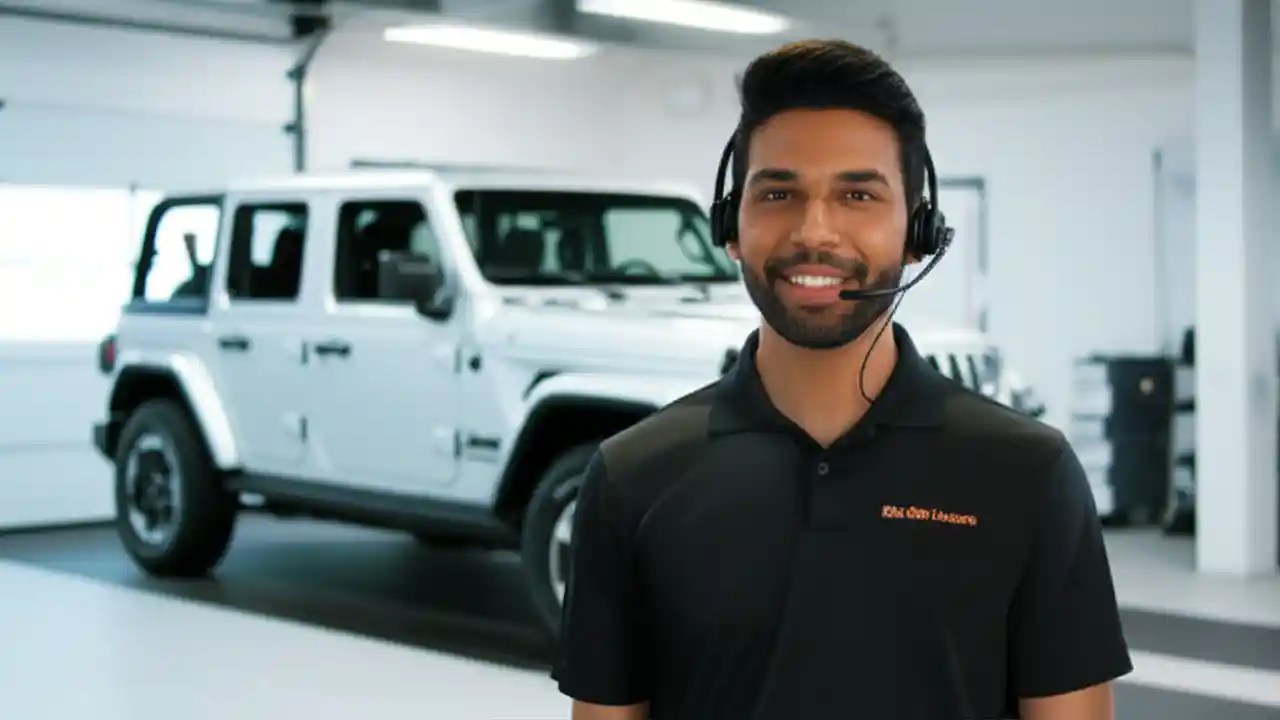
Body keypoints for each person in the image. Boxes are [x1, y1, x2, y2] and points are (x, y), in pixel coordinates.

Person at [552, 39, 1133, 719]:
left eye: (857, 194)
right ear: (729, 226)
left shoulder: (1028, 473)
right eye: (778, 192)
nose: (814, 231)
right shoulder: (632, 475)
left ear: (921, 231)